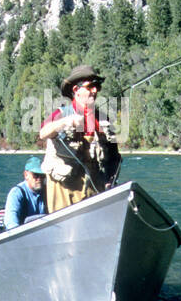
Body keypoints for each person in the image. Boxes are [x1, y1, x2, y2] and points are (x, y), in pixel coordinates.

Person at [37, 64, 121, 213]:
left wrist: (110, 180)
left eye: (97, 86)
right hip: (64, 192)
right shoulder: (61, 114)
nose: (95, 91)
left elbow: (114, 157)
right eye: (90, 86)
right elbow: (43, 133)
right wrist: (64, 122)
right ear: (76, 90)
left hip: (94, 190)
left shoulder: (102, 119)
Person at [4, 156, 47, 230]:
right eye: (36, 175)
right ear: (26, 175)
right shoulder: (16, 193)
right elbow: (11, 223)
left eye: (42, 175)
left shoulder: (47, 192)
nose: (39, 179)